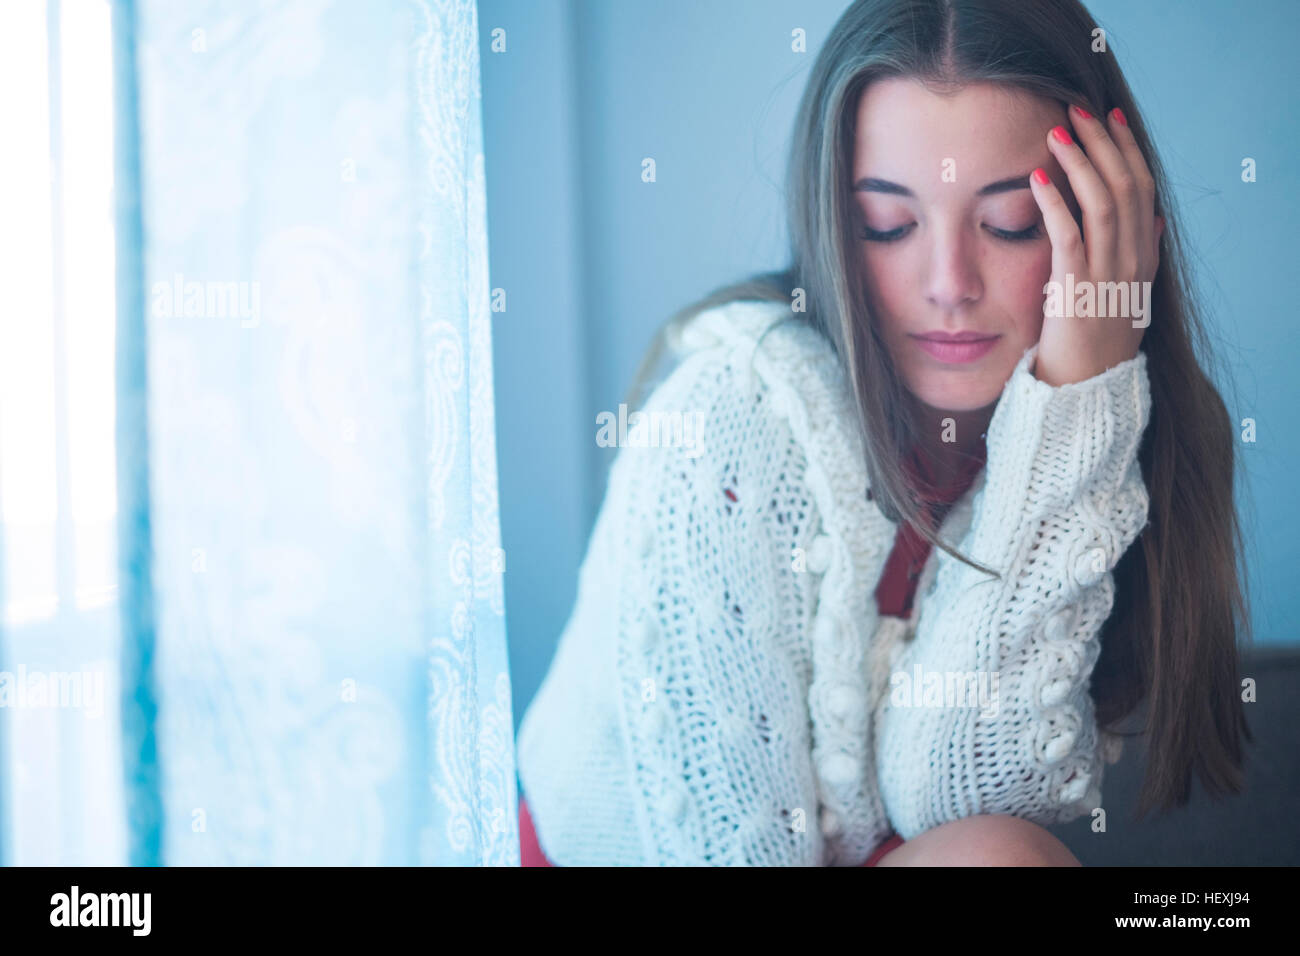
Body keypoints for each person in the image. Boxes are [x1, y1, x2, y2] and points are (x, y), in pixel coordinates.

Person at [515, 0, 1252, 866]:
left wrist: (1078, 400)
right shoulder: (722, 428)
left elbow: (966, 797)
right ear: (834, 225)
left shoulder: (1102, 430)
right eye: (888, 225)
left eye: (1012, 223)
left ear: (1109, 235)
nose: (948, 283)